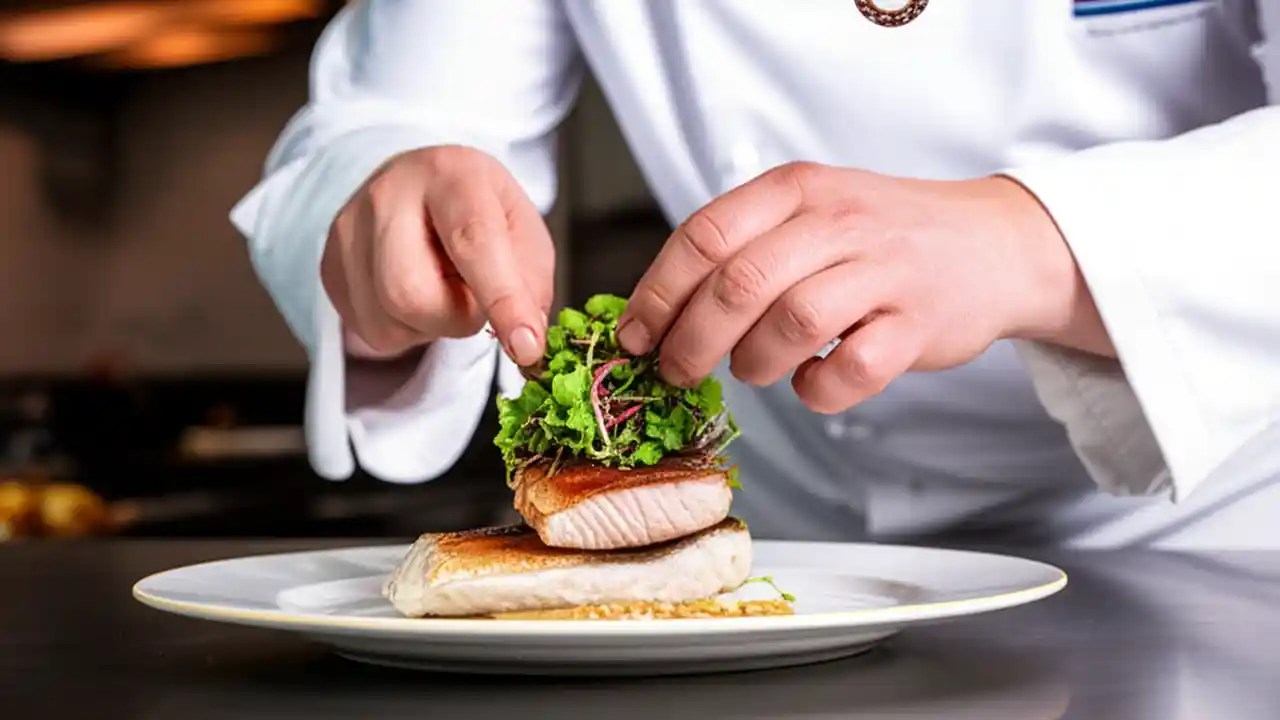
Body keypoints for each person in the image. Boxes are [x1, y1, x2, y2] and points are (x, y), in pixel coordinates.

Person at [232, 1, 1280, 548]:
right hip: (791, 561)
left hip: (1214, 541)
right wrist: (387, 201)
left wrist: (1033, 242)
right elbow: (394, 113)